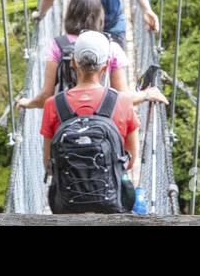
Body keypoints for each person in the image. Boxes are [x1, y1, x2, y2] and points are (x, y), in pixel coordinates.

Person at [40, 30, 141, 214]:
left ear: (72, 63)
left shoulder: (53, 105)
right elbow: (131, 161)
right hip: (112, 202)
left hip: (67, 205)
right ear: (106, 67)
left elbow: (48, 164)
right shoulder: (124, 102)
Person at [18, 0, 167, 110]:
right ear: (99, 16)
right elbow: (124, 97)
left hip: (66, 122)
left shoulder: (56, 46)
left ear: (69, 14)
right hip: (103, 121)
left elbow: (46, 97)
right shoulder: (111, 47)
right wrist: (147, 94)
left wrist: (29, 103)